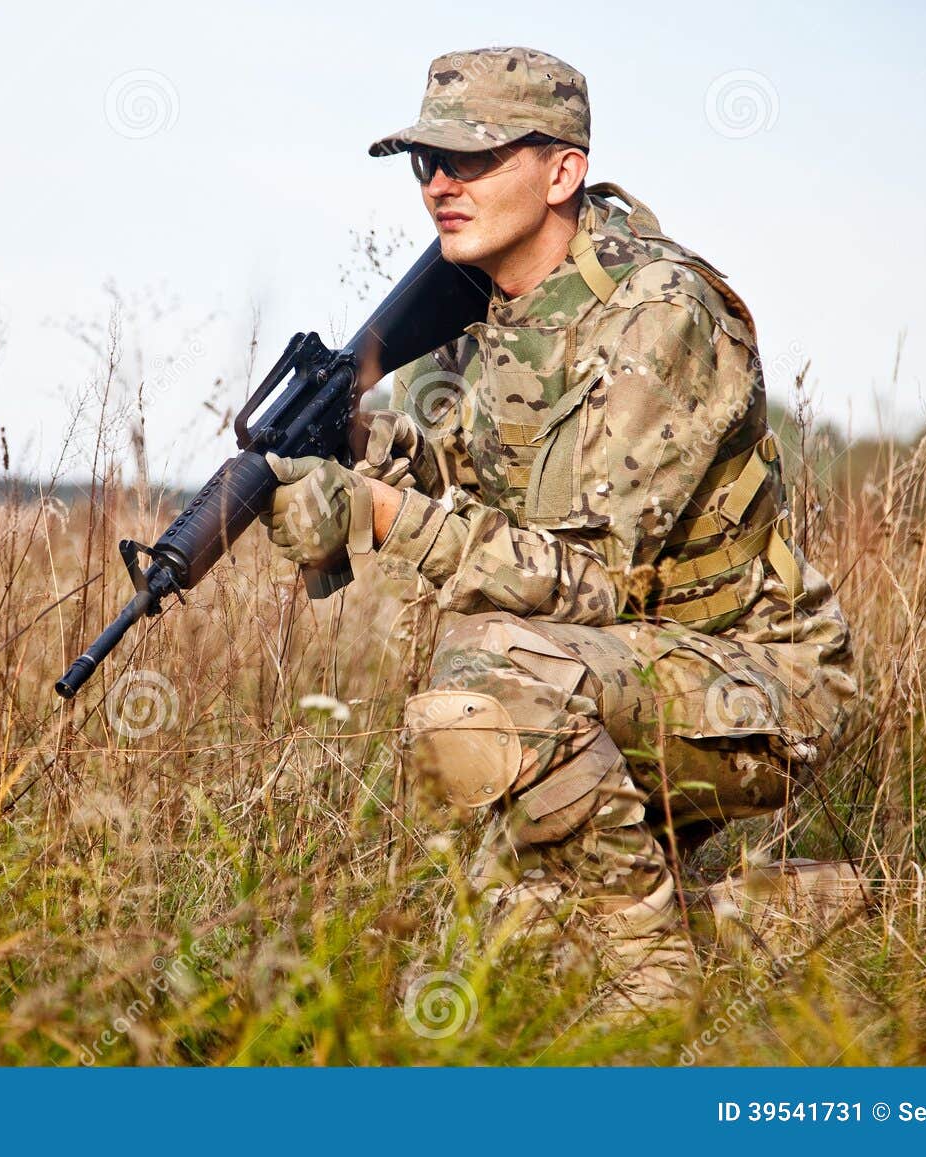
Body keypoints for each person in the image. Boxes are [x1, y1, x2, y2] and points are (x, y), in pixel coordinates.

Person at [261, 47, 859, 1006]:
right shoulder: (485, 316)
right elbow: (481, 479)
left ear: (563, 171)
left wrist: (379, 518)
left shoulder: (659, 315)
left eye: (473, 159)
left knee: (486, 681)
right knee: (512, 945)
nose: (441, 187)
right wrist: (361, 448)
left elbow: (592, 580)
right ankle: (786, 913)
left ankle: (654, 996)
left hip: (755, 682)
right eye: (426, 165)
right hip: (623, 665)